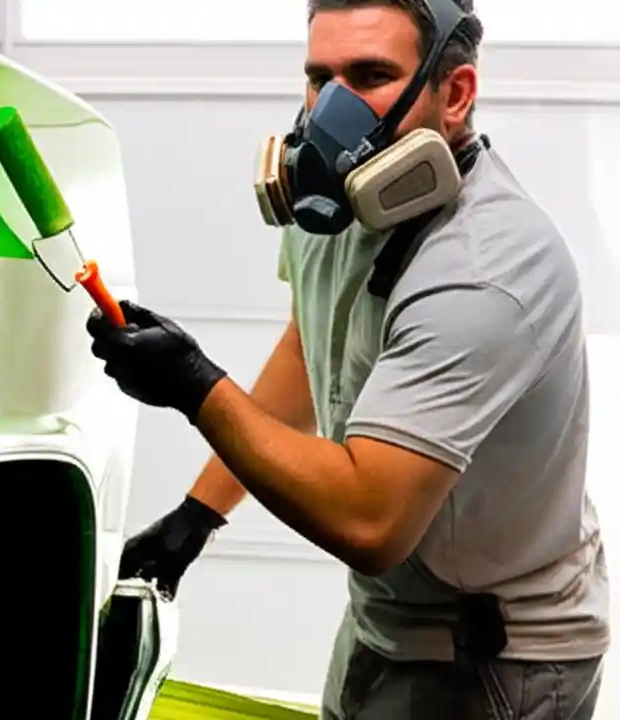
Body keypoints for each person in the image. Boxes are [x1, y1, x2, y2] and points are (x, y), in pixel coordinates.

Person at [85, 0, 609, 717]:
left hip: (494, 660)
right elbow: (311, 347)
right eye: (319, 77)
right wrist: (197, 515)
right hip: (384, 624)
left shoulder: (487, 267)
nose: (332, 109)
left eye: (369, 76)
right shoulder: (336, 212)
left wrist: (193, 384)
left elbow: (370, 523)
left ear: (454, 94)